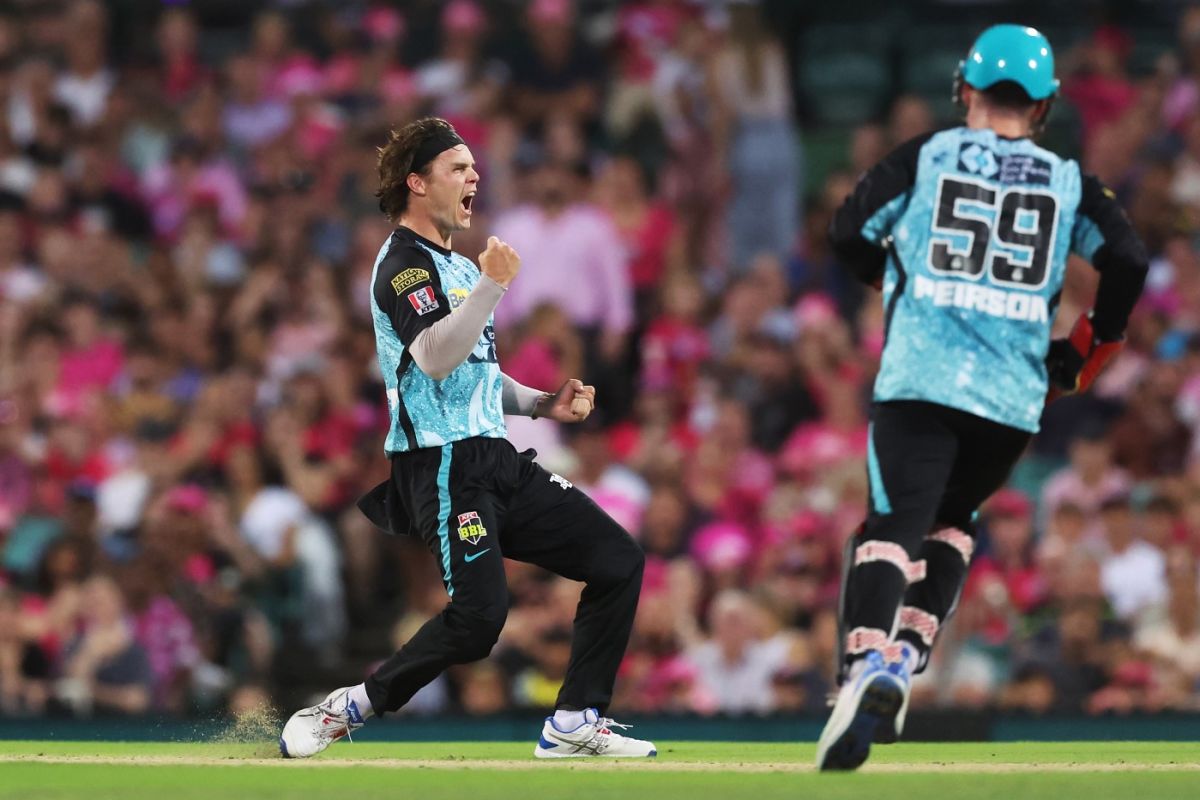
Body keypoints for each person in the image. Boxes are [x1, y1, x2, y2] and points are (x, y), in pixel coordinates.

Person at [816, 25, 1148, 771]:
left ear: (964, 87)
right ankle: (903, 657)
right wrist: (1088, 348)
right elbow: (1127, 256)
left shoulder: (927, 156)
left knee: (893, 522)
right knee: (951, 521)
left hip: (922, 379)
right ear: (1045, 104)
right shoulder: (1067, 180)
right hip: (1011, 399)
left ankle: (865, 663)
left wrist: (892, 279)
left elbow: (847, 230)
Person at [279, 118, 653, 759]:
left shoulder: (452, 266)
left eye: (474, 166)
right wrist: (494, 285)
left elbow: (474, 369)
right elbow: (432, 357)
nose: (474, 176)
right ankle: (351, 707)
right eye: (458, 167)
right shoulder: (402, 266)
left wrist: (539, 402)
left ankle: (574, 722)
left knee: (617, 560)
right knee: (480, 620)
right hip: (444, 466)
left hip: (494, 456)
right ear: (416, 183)